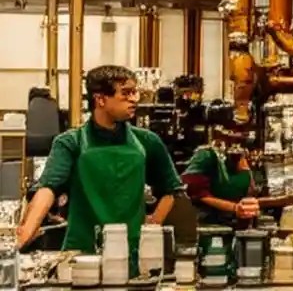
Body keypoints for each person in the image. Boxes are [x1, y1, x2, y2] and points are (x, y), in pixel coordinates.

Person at [16, 65, 185, 275]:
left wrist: (150, 229)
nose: (134, 99)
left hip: (131, 257)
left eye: (135, 92)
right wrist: (20, 241)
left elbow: (170, 189)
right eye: (126, 93)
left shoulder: (147, 142)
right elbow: (48, 189)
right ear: (101, 99)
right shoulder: (70, 142)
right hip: (80, 257)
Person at [181, 145, 260, 226]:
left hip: (233, 219)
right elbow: (199, 193)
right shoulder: (206, 155)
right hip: (208, 220)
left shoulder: (241, 157)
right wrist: (234, 207)